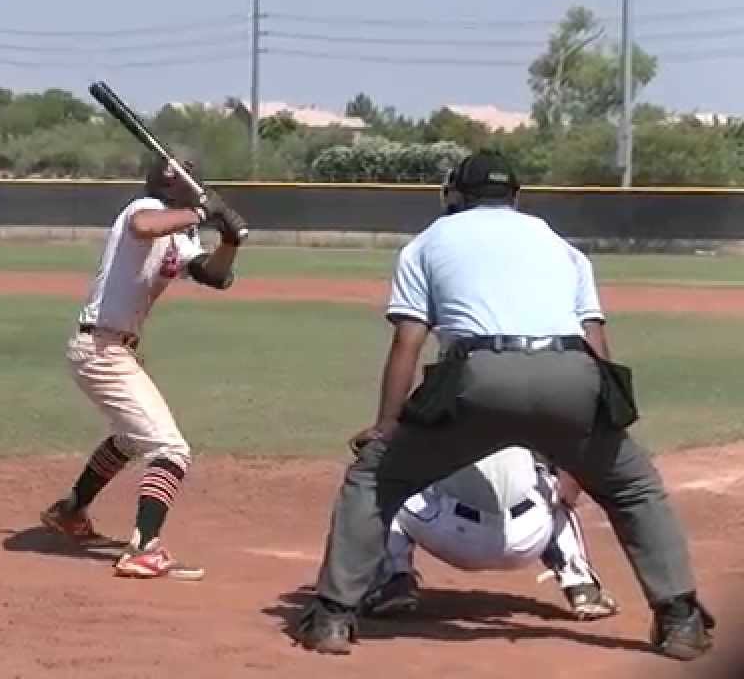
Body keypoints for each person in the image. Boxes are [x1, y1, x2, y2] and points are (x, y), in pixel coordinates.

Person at [295, 150, 714, 660]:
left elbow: (408, 342)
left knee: (374, 479)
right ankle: (680, 620)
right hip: (572, 374)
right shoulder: (560, 246)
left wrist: (386, 426)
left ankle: (333, 618)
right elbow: (595, 341)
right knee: (634, 488)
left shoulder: (427, 243)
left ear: (455, 194)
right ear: (515, 196)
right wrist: (599, 438)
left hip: (477, 378)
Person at [39, 153, 247, 580]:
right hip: (100, 346)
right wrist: (206, 210)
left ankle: (70, 512)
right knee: (171, 449)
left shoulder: (180, 234)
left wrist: (229, 240)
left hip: (112, 348)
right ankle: (144, 548)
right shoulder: (143, 210)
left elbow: (214, 276)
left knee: (130, 439)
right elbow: (143, 228)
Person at [359, 446, 619, 622]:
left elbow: (398, 451)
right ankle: (582, 587)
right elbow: (569, 482)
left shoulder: (440, 402)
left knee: (388, 486)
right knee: (551, 492)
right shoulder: (531, 406)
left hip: (453, 539)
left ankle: (394, 581)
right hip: (527, 539)